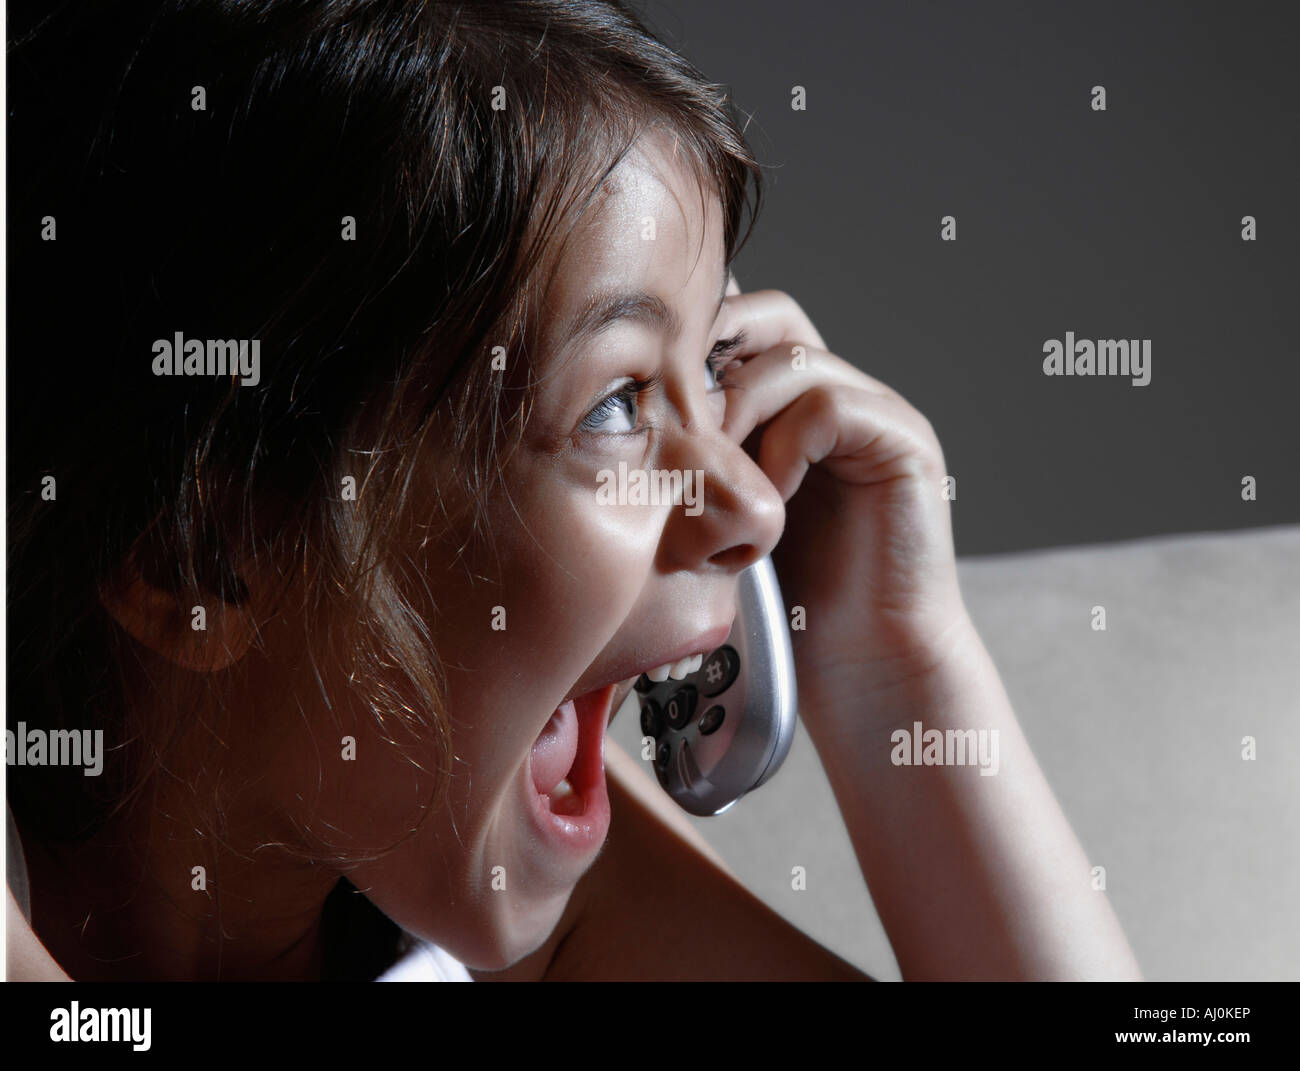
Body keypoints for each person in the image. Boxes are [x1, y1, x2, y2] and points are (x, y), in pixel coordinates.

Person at [6, 0, 1142, 982]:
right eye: (614, 407)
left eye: (709, 369)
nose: (753, 505)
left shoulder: (508, 887)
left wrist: (895, 660)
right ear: (198, 561)